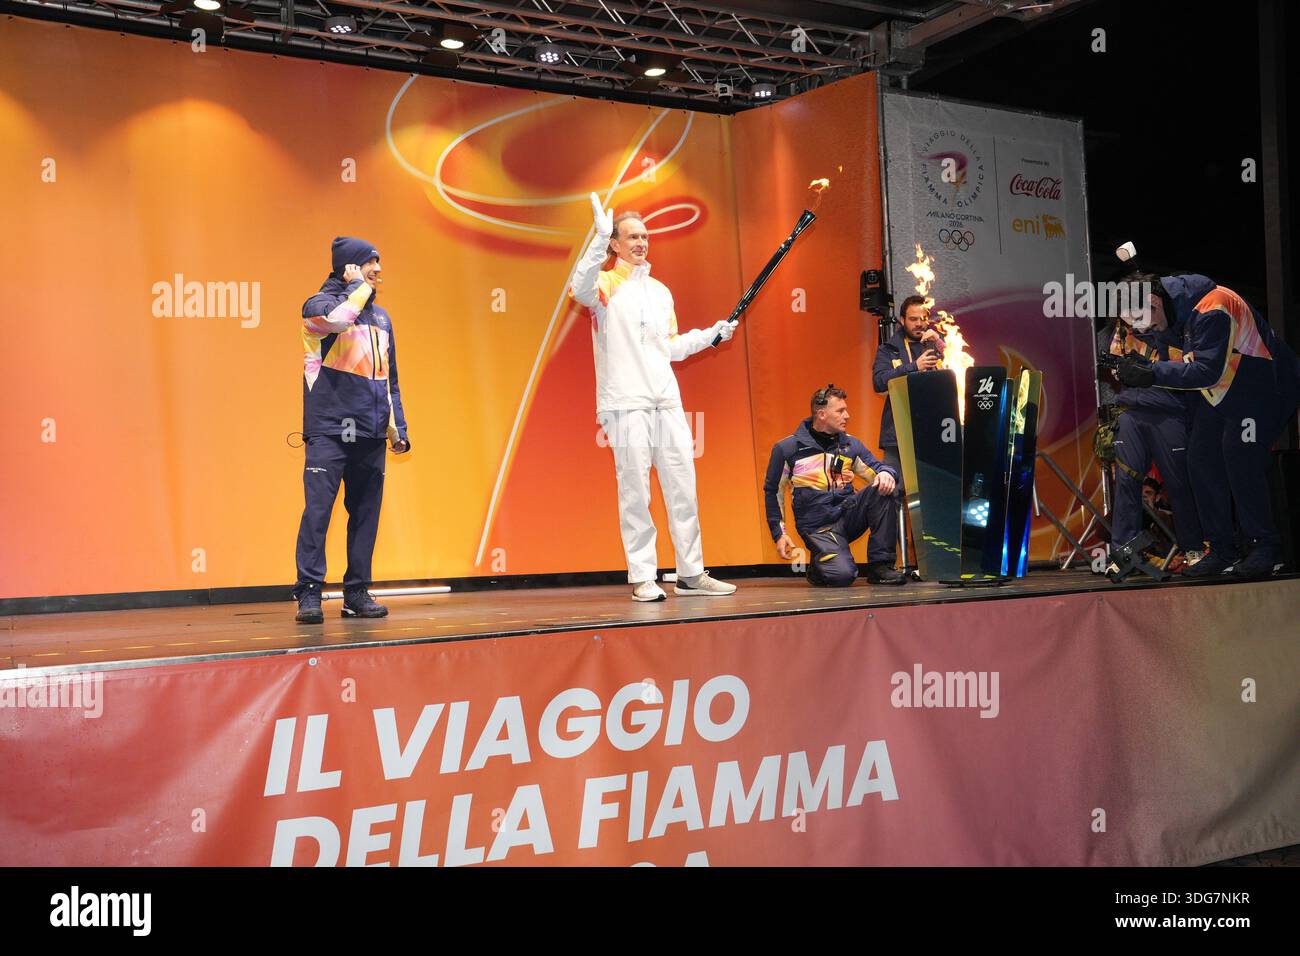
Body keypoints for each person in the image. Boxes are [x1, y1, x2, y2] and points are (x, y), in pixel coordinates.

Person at [569, 194, 737, 601]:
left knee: (683, 487)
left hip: (666, 400)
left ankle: (691, 574)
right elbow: (579, 288)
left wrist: (710, 335)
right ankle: (643, 576)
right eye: (630, 237)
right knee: (636, 492)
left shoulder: (661, 292)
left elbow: (672, 346)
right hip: (625, 403)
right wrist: (597, 237)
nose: (641, 243)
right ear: (615, 244)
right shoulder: (606, 284)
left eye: (644, 236)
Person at [1117, 272, 1300, 578]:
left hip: (1263, 386)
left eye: (1141, 322)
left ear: (1153, 302)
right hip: (1225, 390)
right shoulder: (1172, 312)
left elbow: (1206, 371)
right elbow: (1182, 366)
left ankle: (1266, 547)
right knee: (1200, 460)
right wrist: (1144, 368)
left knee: (1240, 457)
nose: (1141, 331)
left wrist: (1151, 372)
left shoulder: (1214, 306)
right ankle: (1221, 549)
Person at [292, 237, 411, 622]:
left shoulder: (381, 317)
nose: (379, 270)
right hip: (329, 431)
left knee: (365, 515)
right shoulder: (319, 306)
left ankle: (356, 593)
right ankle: (309, 593)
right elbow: (340, 320)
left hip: (371, 433)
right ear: (349, 267)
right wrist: (357, 288)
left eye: (379, 262)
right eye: (370, 263)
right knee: (318, 513)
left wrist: (397, 428)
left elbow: (388, 378)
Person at [763, 385, 907, 587]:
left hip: (848, 516)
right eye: (840, 411)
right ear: (821, 414)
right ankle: (818, 566)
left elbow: (877, 469)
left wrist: (886, 473)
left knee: (884, 486)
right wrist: (780, 534)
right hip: (818, 527)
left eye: (846, 410)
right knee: (842, 577)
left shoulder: (851, 445)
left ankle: (880, 566)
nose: (847, 415)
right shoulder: (787, 448)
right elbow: (773, 493)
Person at [1100, 315, 1205, 565]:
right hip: (1130, 411)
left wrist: (1153, 361)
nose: (1130, 310)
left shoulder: (1178, 325)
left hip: (1167, 413)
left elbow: (1191, 369)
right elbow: (1115, 368)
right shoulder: (1123, 329)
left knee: (1179, 484)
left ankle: (1194, 549)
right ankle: (1124, 554)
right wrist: (1122, 368)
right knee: (1125, 483)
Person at [873, 295, 944, 480]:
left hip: (934, 431)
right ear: (902, 320)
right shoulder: (888, 349)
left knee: (934, 489)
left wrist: (940, 344)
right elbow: (879, 382)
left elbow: (957, 376)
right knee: (893, 490)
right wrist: (913, 367)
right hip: (898, 432)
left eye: (923, 318)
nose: (919, 324)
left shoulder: (936, 344)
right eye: (913, 319)